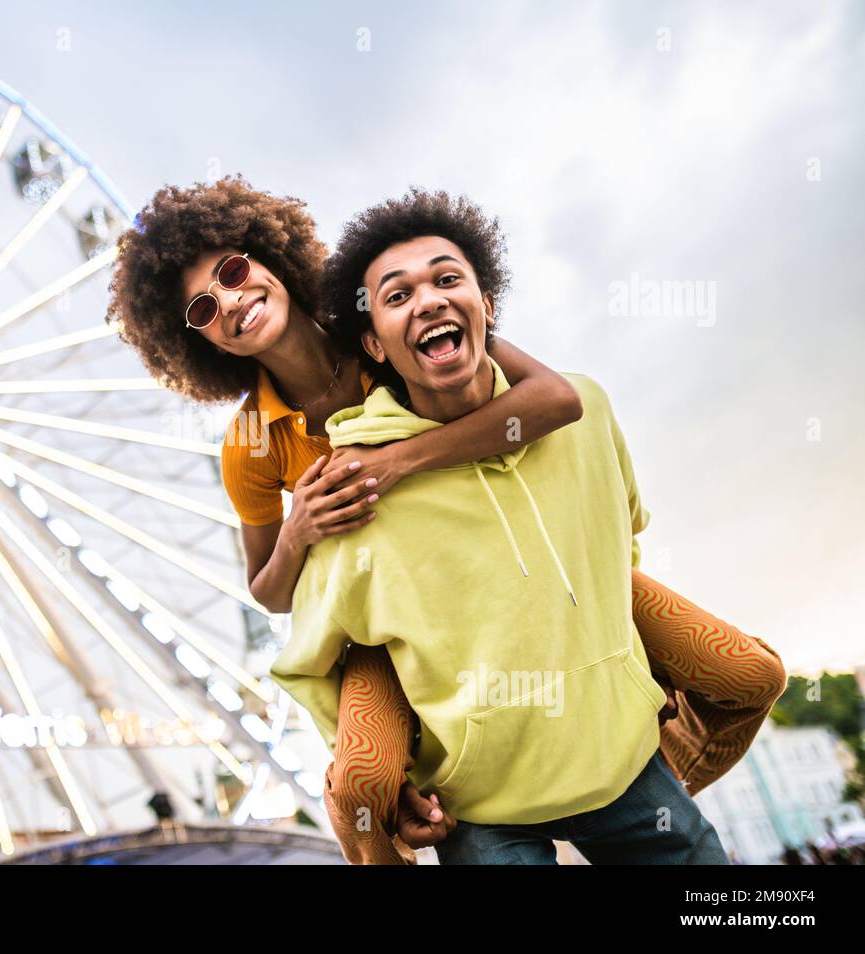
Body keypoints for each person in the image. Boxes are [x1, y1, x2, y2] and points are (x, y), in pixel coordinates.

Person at [107, 177, 785, 864]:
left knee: (748, 676)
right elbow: (269, 590)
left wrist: (399, 460)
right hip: (387, 607)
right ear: (197, 342)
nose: (230, 300)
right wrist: (299, 528)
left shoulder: (387, 328)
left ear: (270, 257)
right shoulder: (250, 445)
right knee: (363, 786)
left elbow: (551, 398)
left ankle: (619, 776)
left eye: (232, 271)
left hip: (510, 559)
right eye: (202, 308)